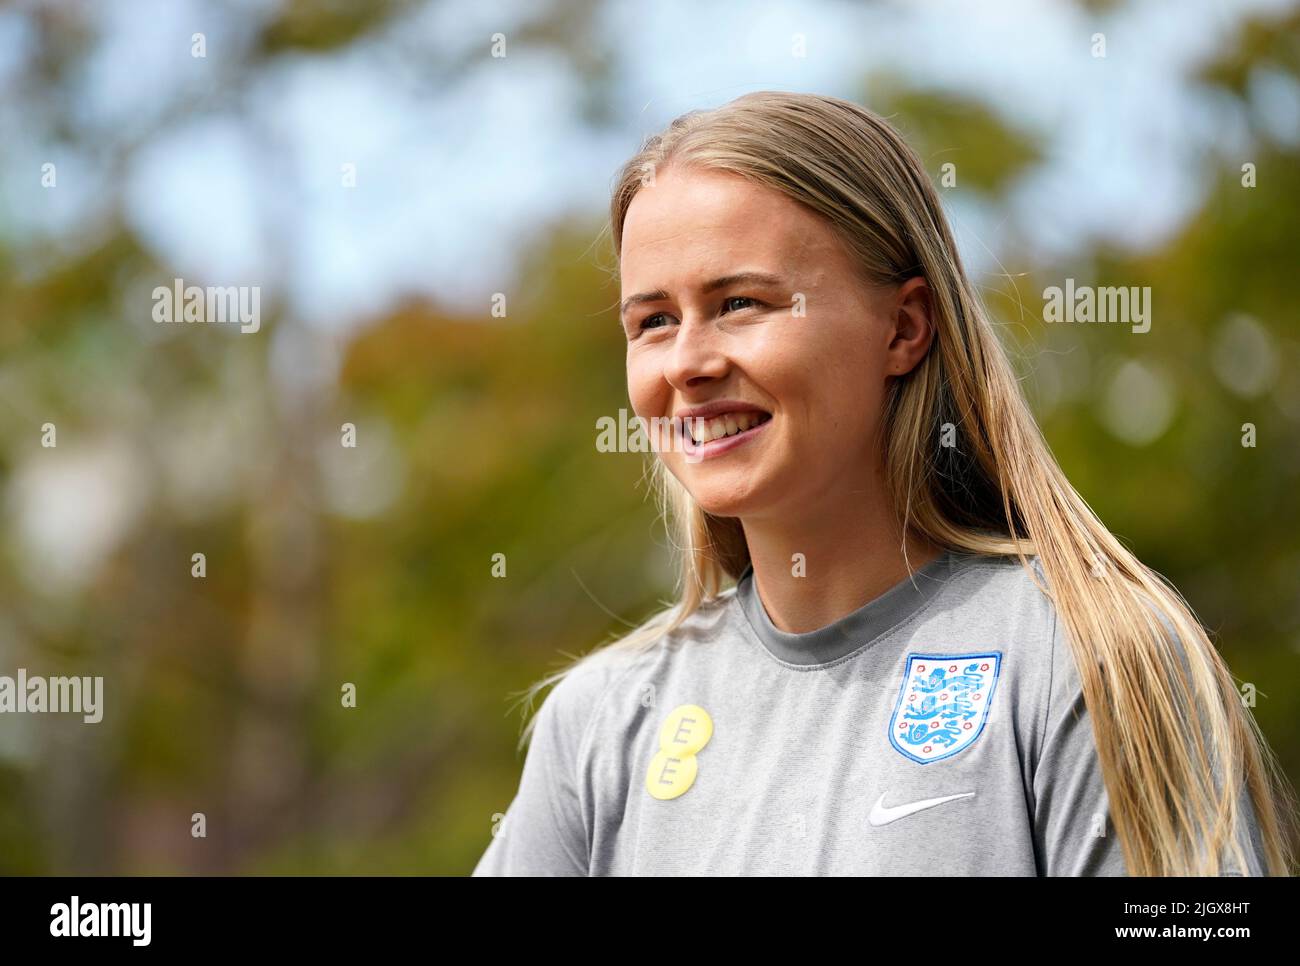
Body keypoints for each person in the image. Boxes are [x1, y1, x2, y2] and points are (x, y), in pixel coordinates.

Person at [473, 90, 1298, 876]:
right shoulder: (600, 722)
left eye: (741, 304)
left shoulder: (1086, 655)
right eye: (653, 321)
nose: (688, 362)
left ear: (903, 328)